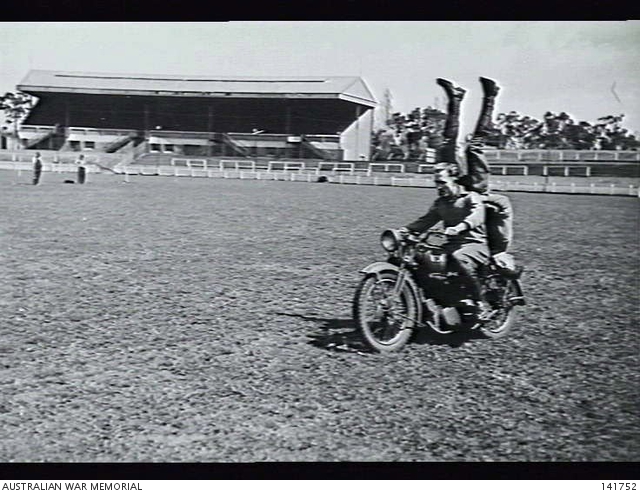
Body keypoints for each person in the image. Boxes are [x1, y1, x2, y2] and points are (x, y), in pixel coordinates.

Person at [401, 162, 492, 319]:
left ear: (455, 180)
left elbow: (476, 216)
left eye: (442, 182)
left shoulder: (471, 198)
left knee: (459, 257)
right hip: (450, 246)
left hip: (475, 245)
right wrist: (405, 230)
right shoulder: (441, 203)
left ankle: (480, 303)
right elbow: (426, 220)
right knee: (421, 259)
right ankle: (435, 302)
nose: (439, 187)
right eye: (436, 182)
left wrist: (459, 227)